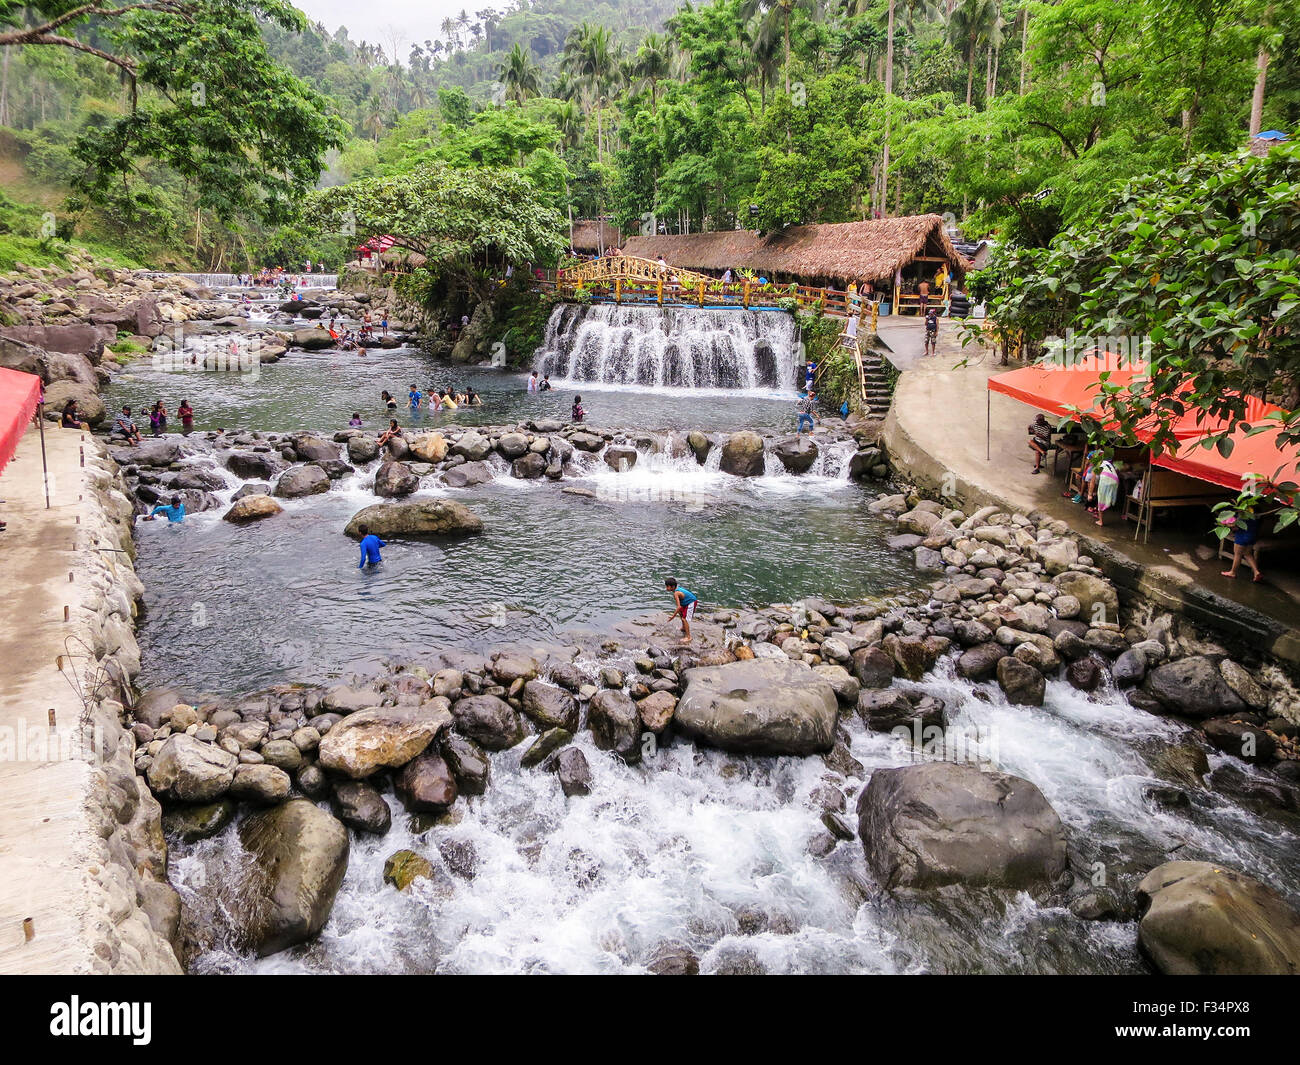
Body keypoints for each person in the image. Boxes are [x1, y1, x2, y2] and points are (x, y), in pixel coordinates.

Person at [1221, 513, 1263, 582]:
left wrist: (1226, 524)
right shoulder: (1256, 513)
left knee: (1237, 554)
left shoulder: (1242, 513)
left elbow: (1234, 525)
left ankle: (1232, 572)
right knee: (1247, 554)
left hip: (1242, 535)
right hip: (1252, 536)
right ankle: (1256, 572)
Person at [665, 577, 698, 646]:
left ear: (673, 587)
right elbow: (680, 607)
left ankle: (689, 637)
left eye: (667, 586)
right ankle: (683, 627)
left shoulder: (676, 593)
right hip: (686, 603)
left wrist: (673, 616)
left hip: (691, 602)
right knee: (680, 613)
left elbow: (678, 606)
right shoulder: (676, 590)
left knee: (684, 618)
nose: (666, 588)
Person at [1091, 456, 1120, 526]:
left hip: (1105, 480)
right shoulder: (1107, 463)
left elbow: (1092, 481)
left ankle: (1100, 521)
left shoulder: (1096, 466)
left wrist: (1089, 494)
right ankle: (1107, 505)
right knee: (1108, 496)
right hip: (1115, 480)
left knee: (1101, 499)